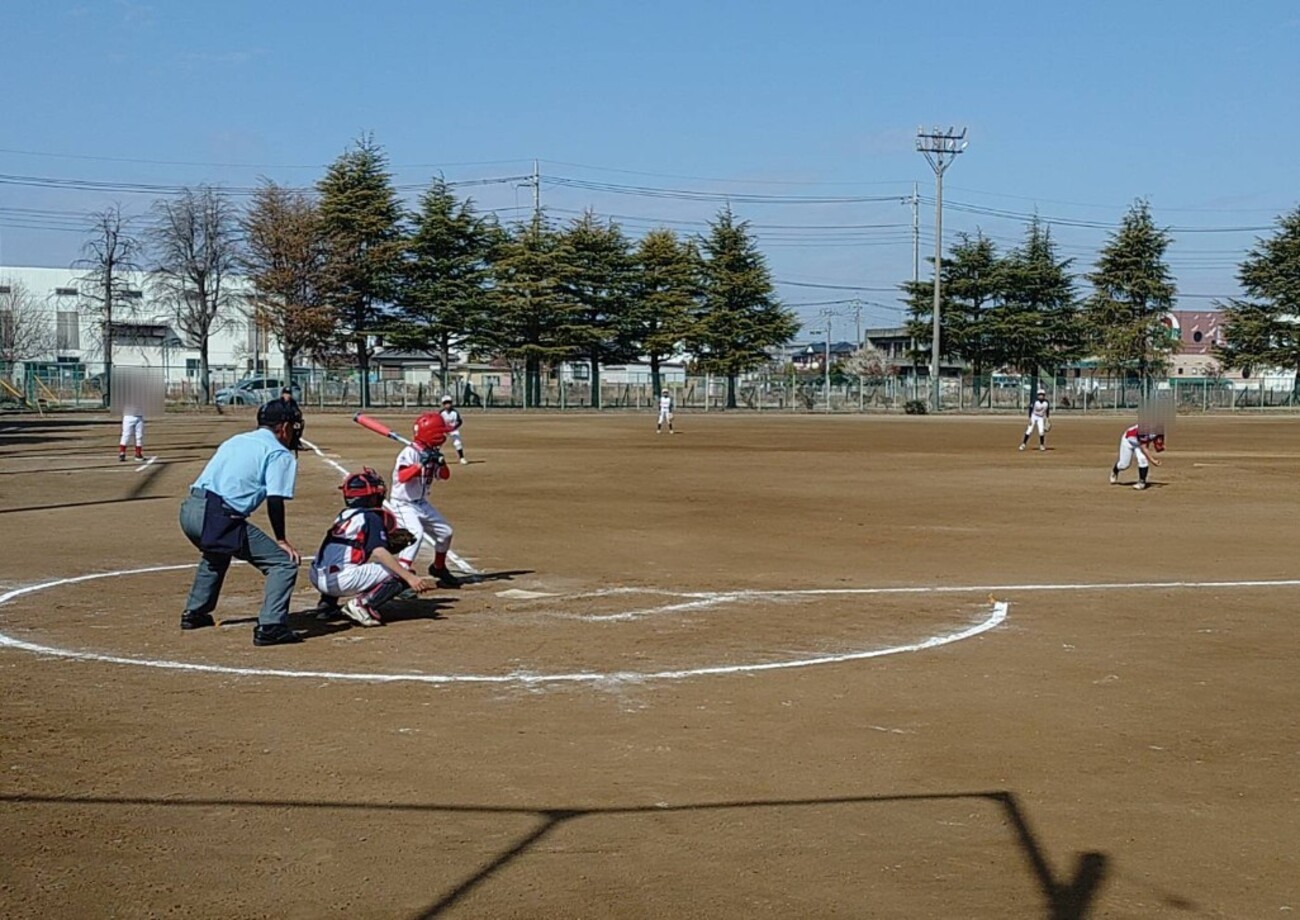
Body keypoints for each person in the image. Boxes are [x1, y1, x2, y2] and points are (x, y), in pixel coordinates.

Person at [177, 399, 305, 646]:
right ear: (284, 427)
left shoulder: (236, 440)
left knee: (217, 551)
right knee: (282, 564)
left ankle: (195, 613)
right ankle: (271, 626)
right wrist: (281, 540)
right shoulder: (278, 452)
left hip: (189, 510)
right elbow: (275, 499)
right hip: (216, 516)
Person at [308, 468, 437, 627]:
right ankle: (362, 604)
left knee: (340, 558)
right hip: (341, 581)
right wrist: (409, 577)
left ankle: (326, 606)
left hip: (317, 576)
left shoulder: (344, 515)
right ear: (369, 497)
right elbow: (379, 552)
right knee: (401, 573)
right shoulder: (371, 517)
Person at [386, 412, 463, 589]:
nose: (444, 436)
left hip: (421, 503)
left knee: (445, 532)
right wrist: (420, 463)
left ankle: (439, 567)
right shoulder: (409, 453)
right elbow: (403, 476)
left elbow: (445, 476)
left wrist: (441, 463)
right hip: (402, 503)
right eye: (441, 433)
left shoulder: (431, 452)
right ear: (432, 434)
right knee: (415, 534)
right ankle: (401, 577)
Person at [1110, 424, 1165, 490]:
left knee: (1142, 459)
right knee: (1124, 465)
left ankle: (1142, 483)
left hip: (1139, 444)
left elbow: (1158, 443)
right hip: (1128, 441)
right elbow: (1144, 447)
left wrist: (1159, 446)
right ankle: (1115, 470)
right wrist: (1153, 460)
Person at [439, 394, 467, 464]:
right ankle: (436, 457)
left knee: (457, 443)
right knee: (438, 443)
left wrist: (454, 427)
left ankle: (462, 458)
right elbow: (438, 422)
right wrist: (442, 429)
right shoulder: (441, 413)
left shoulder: (455, 412)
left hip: (453, 430)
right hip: (444, 430)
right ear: (443, 404)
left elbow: (460, 421)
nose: (447, 405)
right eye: (445, 403)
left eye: (449, 403)